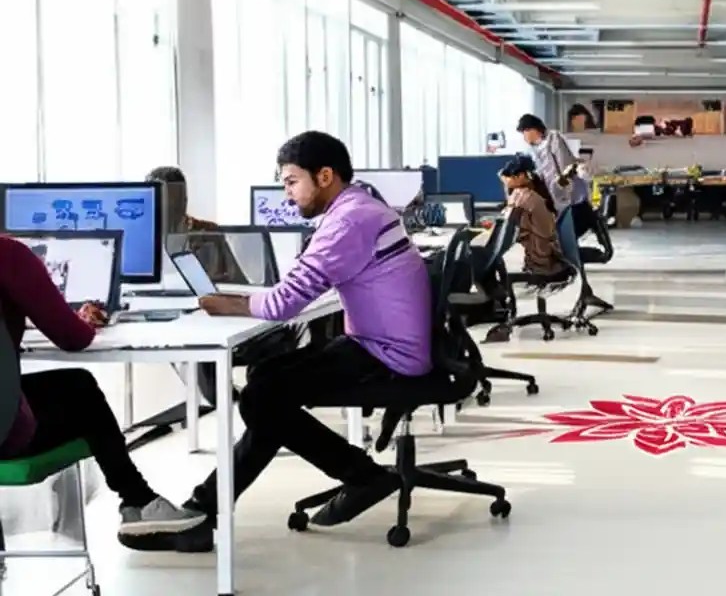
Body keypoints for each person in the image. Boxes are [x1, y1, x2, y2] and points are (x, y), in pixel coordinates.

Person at [166, 131, 432, 551]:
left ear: (324, 175)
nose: (287, 195)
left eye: (291, 181)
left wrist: (224, 303)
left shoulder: (347, 220)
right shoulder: (361, 207)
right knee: (267, 380)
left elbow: (283, 303)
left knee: (264, 395)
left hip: (386, 352)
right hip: (384, 341)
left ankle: (362, 477)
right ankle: (207, 509)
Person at [0, 237, 206, 546]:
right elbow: (71, 337)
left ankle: (139, 501)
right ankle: (138, 501)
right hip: (4, 434)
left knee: (66, 386)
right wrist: (83, 320)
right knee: (79, 388)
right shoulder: (9, 255)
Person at [516, 113, 594, 239]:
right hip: (557, 197)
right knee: (560, 236)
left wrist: (560, 189)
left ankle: (573, 257)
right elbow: (542, 172)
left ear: (533, 129)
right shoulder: (534, 149)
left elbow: (565, 167)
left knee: (568, 235)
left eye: (524, 132)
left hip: (570, 196)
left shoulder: (553, 139)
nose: (524, 137)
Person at [500, 156, 569, 277]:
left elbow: (506, 223)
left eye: (507, 178)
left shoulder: (525, 197)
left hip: (541, 259)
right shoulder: (532, 193)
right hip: (545, 254)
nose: (504, 181)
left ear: (520, 176)